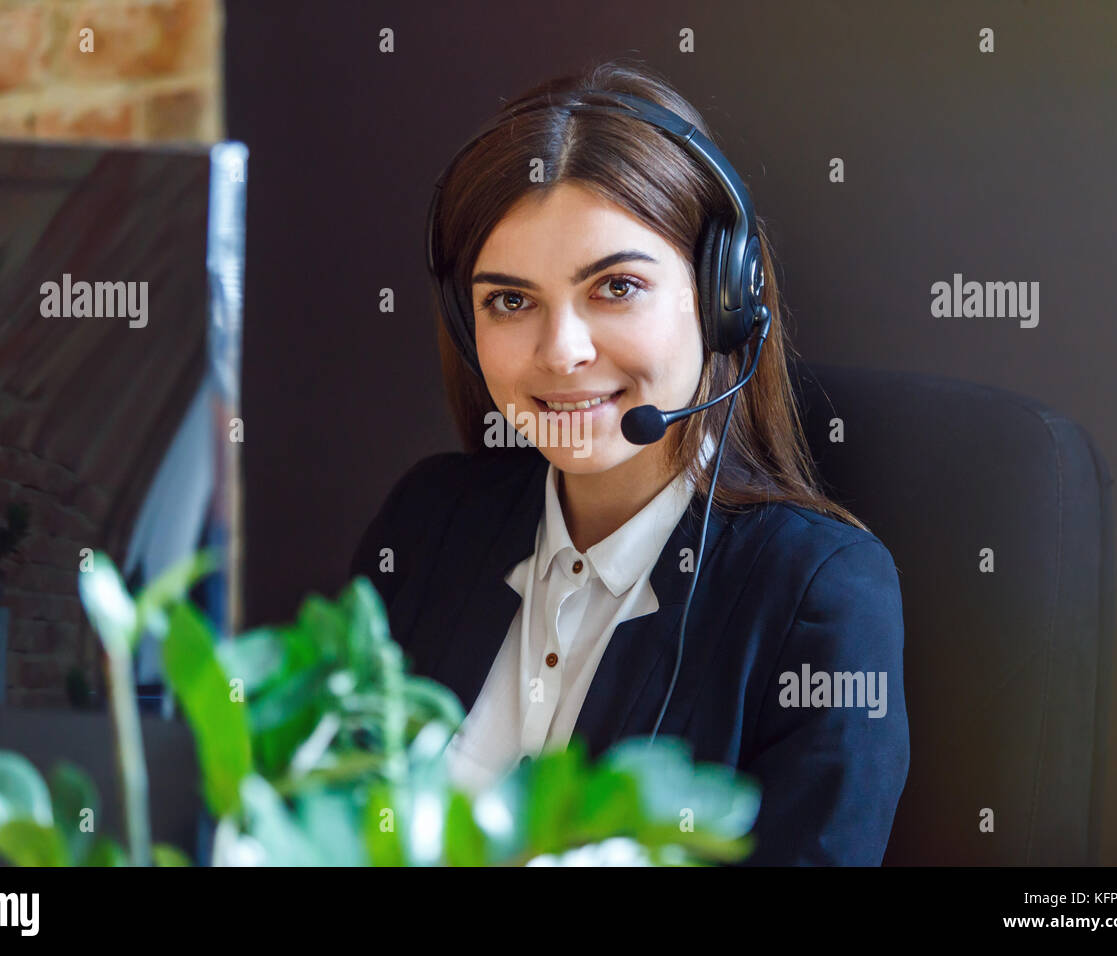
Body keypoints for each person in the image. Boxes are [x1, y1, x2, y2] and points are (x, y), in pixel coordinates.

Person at [350, 59, 909, 865]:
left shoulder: (817, 598)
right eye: (510, 300)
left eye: (615, 287)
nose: (562, 351)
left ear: (722, 300)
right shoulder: (431, 523)